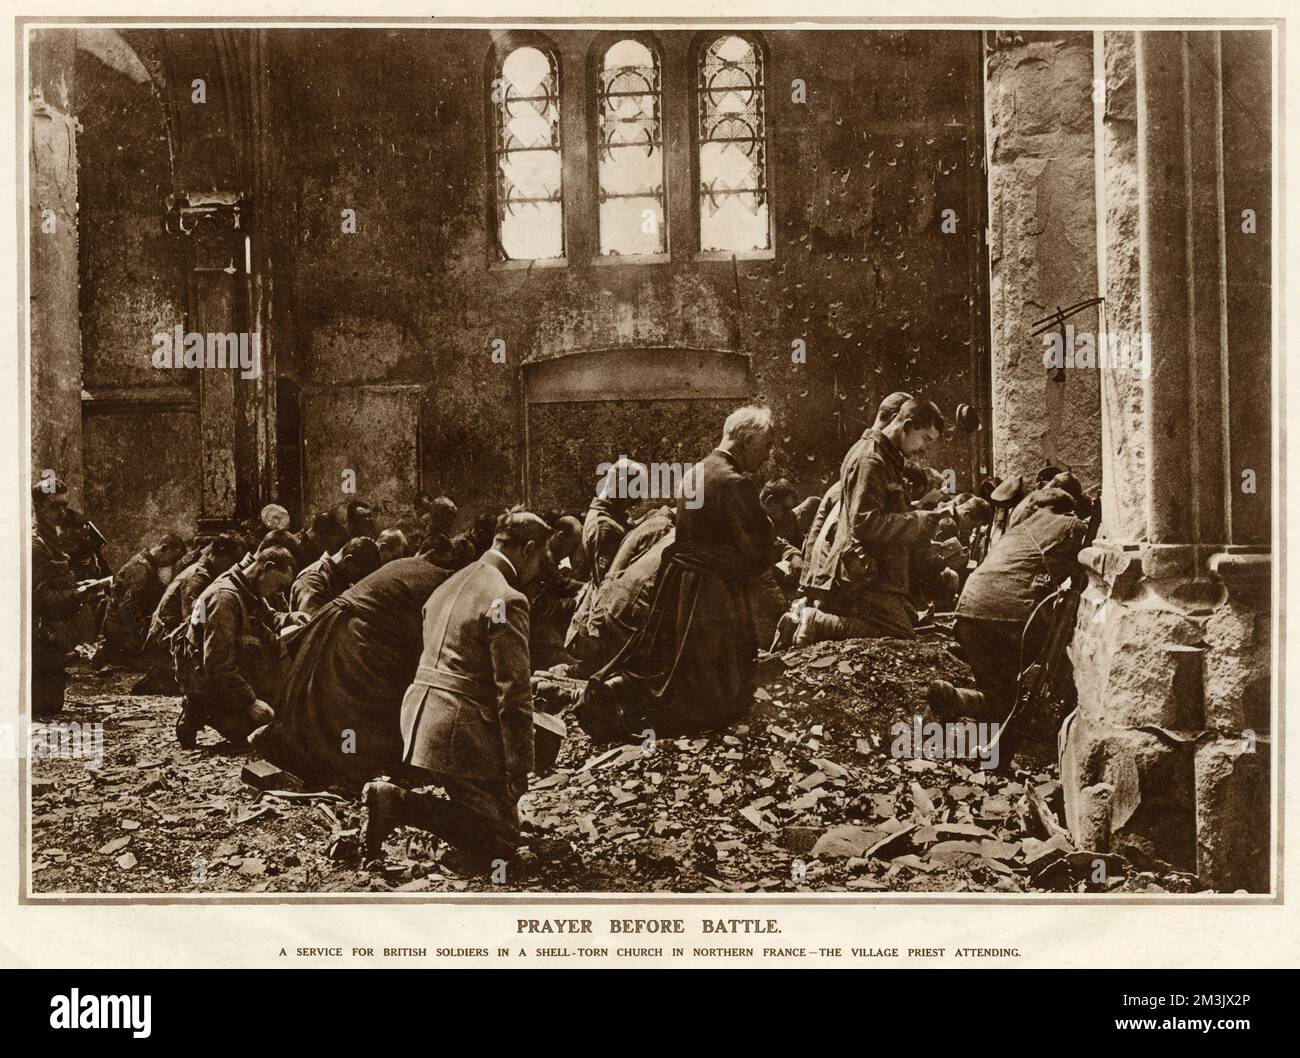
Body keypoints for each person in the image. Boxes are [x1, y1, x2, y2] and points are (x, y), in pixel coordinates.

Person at [361, 510, 550, 870]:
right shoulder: (507, 599)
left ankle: (471, 814)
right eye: (541, 558)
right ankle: (396, 802)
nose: (539, 569)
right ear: (528, 549)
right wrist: (518, 766)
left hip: (422, 718)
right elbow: (513, 693)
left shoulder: (451, 583)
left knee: (502, 822)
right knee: (499, 843)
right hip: (460, 732)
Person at [578, 406, 780, 739]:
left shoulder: (695, 473)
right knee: (718, 690)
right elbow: (759, 549)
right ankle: (622, 700)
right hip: (716, 590)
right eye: (766, 445)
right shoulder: (735, 483)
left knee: (680, 666)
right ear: (746, 440)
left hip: (681, 584)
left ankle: (618, 690)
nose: (768, 454)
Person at [252, 539, 454, 791]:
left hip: (339, 627)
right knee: (350, 709)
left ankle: (297, 750)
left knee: (329, 707)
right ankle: (340, 770)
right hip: (347, 633)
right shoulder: (444, 582)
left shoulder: (410, 565)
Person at [929, 485, 1088, 726]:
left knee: (994, 686)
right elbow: (1083, 576)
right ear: (1065, 509)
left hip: (967, 613)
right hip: (1009, 621)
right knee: (1013, 698)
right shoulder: (1072, 525)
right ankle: (961, 701)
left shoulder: (1016, 531)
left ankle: (958, 701)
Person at [798, 397, 947, 643]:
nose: (925, 449)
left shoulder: (884, 457)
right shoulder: (872, 460)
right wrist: (919, 520)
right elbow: (864, 523)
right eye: (925, 439)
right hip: (865, 574)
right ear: (907, 426)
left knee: (906, 622)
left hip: (874, 571)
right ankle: (817, 621)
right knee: (899, 636)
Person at [172, 545, 297, 748]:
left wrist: (290, 622)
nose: (279, 591)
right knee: (254, 737)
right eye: (280, 585)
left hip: (224, 666)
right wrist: (250, 702)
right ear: (268, 567)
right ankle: (198, 709)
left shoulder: (246, 588)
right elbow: (217, 663)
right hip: (204, 675)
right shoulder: (225, 597)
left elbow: (266, 620)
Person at [135, 533, 245, 694]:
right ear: (220, 555)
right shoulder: (198, 577)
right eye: (231, 561)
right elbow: (193, 619)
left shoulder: (202, 572)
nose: (231, 567)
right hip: (166, 642)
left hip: (169, 636)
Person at [31, 479, 94, 718]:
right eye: (54, 507)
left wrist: (80, 587)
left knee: (52, 704)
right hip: (40, 638)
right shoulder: (36, 546)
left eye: (64, 506)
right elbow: (41, 599)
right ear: (38, 508)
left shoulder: (52, 542)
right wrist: (80, 594)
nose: (61, 513)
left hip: (55, 638)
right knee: (44, 707)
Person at [96, 532, 188, 668]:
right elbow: (128, 607)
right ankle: (112, 653)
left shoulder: (147, 565)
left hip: (123, 624)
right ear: (164, 549)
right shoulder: (141, 568)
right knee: (150, 663)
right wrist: (143, 637)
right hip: (119, 627)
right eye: (173, 559)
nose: (172, 564)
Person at [582, 459, 647, 589]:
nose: (637, 501)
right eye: (636, 490)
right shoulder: (605, 528)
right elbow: (609, 585)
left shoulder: (607, 517)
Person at [289, 536, 381, 616]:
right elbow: (314, 624)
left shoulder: (339, 578)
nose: (359, 580)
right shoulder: (312, 579)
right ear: (349, 561)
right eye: (361, 574)